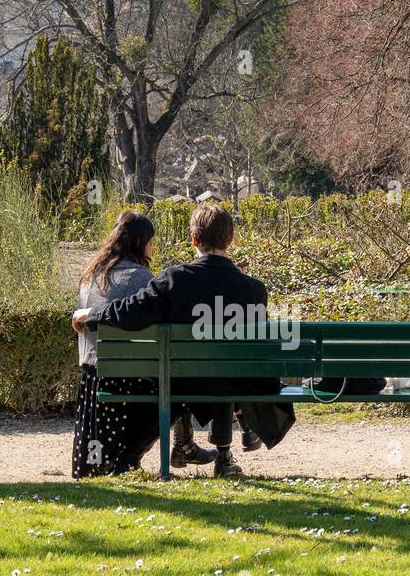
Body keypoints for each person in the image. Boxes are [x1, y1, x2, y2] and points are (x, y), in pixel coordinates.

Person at [83, 203, 295, 478]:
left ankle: (155, 453)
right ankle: (225, 456)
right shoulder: (253, 289)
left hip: (185, 380)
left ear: (194, 240)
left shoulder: (175, 280)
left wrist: (93, 314)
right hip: (233, 380)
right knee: (225, 367)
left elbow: (133, 312)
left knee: (195, 370)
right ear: (230, 240)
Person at [71, 211, 215, 477]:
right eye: (149, 241)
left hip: (93, 374)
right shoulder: (141, 277)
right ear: (139, 242)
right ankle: (172, 448)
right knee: (178, 384)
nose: (151, 247)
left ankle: (106, 464)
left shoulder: (91, 276)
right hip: (129, 376)